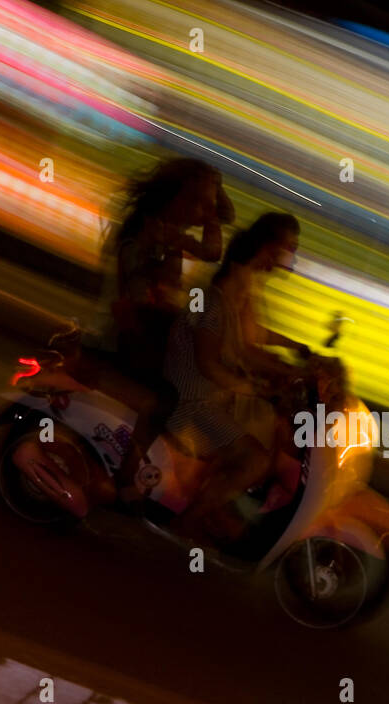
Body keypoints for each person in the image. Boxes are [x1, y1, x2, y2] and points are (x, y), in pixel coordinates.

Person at [91, 158, 235, 502]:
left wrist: (213, 193)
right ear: (176, 197)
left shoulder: (171, 232)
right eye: (196, 202)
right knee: (170, 397)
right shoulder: (149, 233)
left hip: (159, 329)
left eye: (206, 204)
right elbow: (140, 296)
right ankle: (125, 479)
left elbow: (215, 245)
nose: (203, 212)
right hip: (135, 334)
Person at [161, 213, 308, 544]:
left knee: (274, 430)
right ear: (269, 248)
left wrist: (298, 361)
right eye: (291, 248)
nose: (293, 257)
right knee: (255, 457)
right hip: (191, 401)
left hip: (212, 395)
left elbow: (247, 344)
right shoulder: (217, 298)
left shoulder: (241, 286)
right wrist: (255, 388)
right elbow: (211, 364)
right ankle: (192, 519)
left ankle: (216, 501)